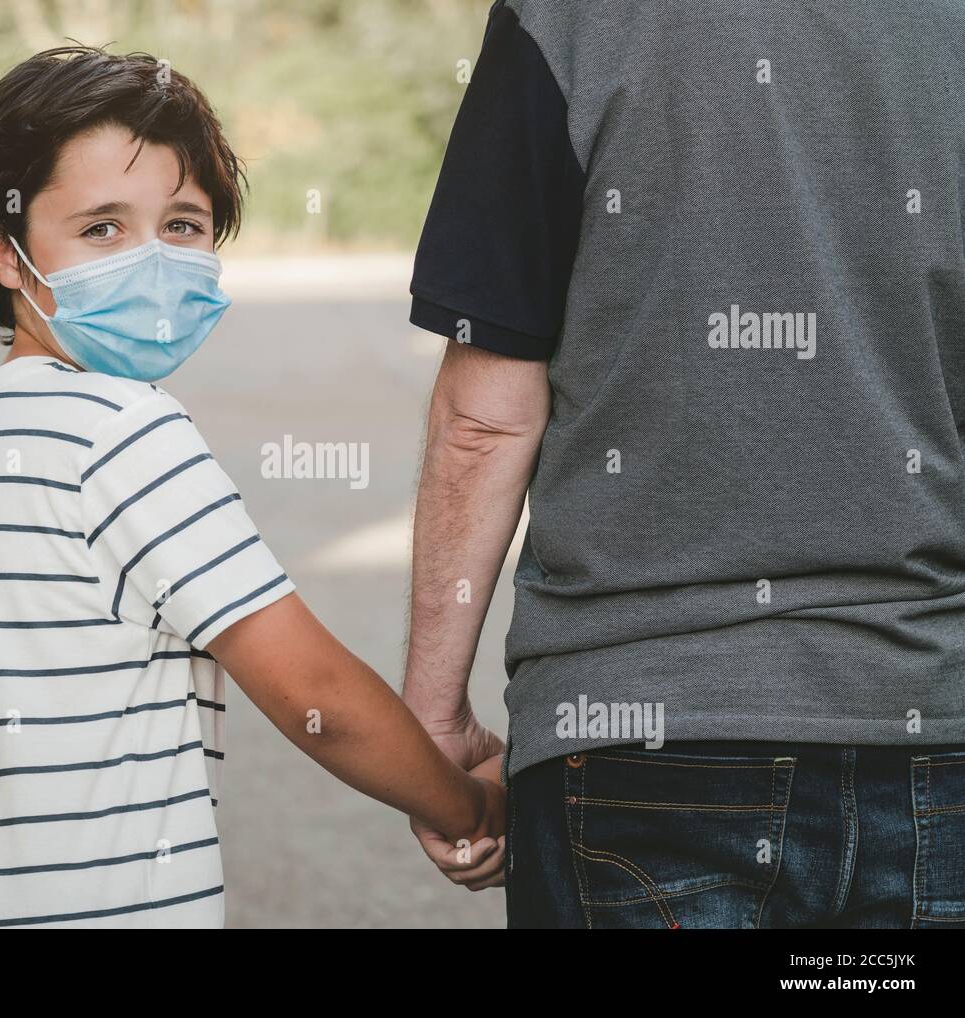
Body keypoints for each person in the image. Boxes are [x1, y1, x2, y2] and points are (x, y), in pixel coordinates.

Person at [0, 46, 503, 929]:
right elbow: (317, 696)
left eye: (182, 225)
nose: (151, 259)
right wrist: (469, 809)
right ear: (6, 251)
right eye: (102, 227)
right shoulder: (123, 432)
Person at [404, 0, 965, 927]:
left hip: (633, 736)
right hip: (933, 725)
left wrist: (430, 717)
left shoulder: (569, 17)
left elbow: (486, 416)